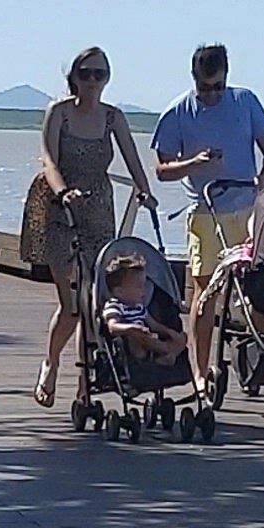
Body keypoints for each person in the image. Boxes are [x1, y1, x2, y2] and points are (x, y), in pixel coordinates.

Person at [29, 49, 157, 407]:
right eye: (86, 74)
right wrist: (63, 191)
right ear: (74, 76)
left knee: (96, 301)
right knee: (72, 303)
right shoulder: (60, 112)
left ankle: (86, 385)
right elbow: (48, 160)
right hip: (61, 210)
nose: (93, 81)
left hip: (100, 210)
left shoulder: (113, 117)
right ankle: (51, 363)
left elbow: (132, 158)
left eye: (100, 74)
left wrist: (144, 191)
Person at [150, 43, 264, 389]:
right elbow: (162, 169)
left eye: (218, 87)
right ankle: (200, 371)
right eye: (205, 88)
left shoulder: (245, 101)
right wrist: (193, 163)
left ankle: (250, 355)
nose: (211, 95)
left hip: (247, 208)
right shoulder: (178, 112)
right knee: (204, 292)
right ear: (194, 79)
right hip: (205, 213)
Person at [94, 237, 188, 376]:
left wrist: (169, 332)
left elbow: (154, 325)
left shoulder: (139, 307)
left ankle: (169, 353)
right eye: (139, 287)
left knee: (182, 337)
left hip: (149, 340)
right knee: (136, 337)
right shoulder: (114, 306)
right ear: (120, 291)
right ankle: (167, 352)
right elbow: (112, 326)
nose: (144, 290)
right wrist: (131, 328)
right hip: (130, 345)